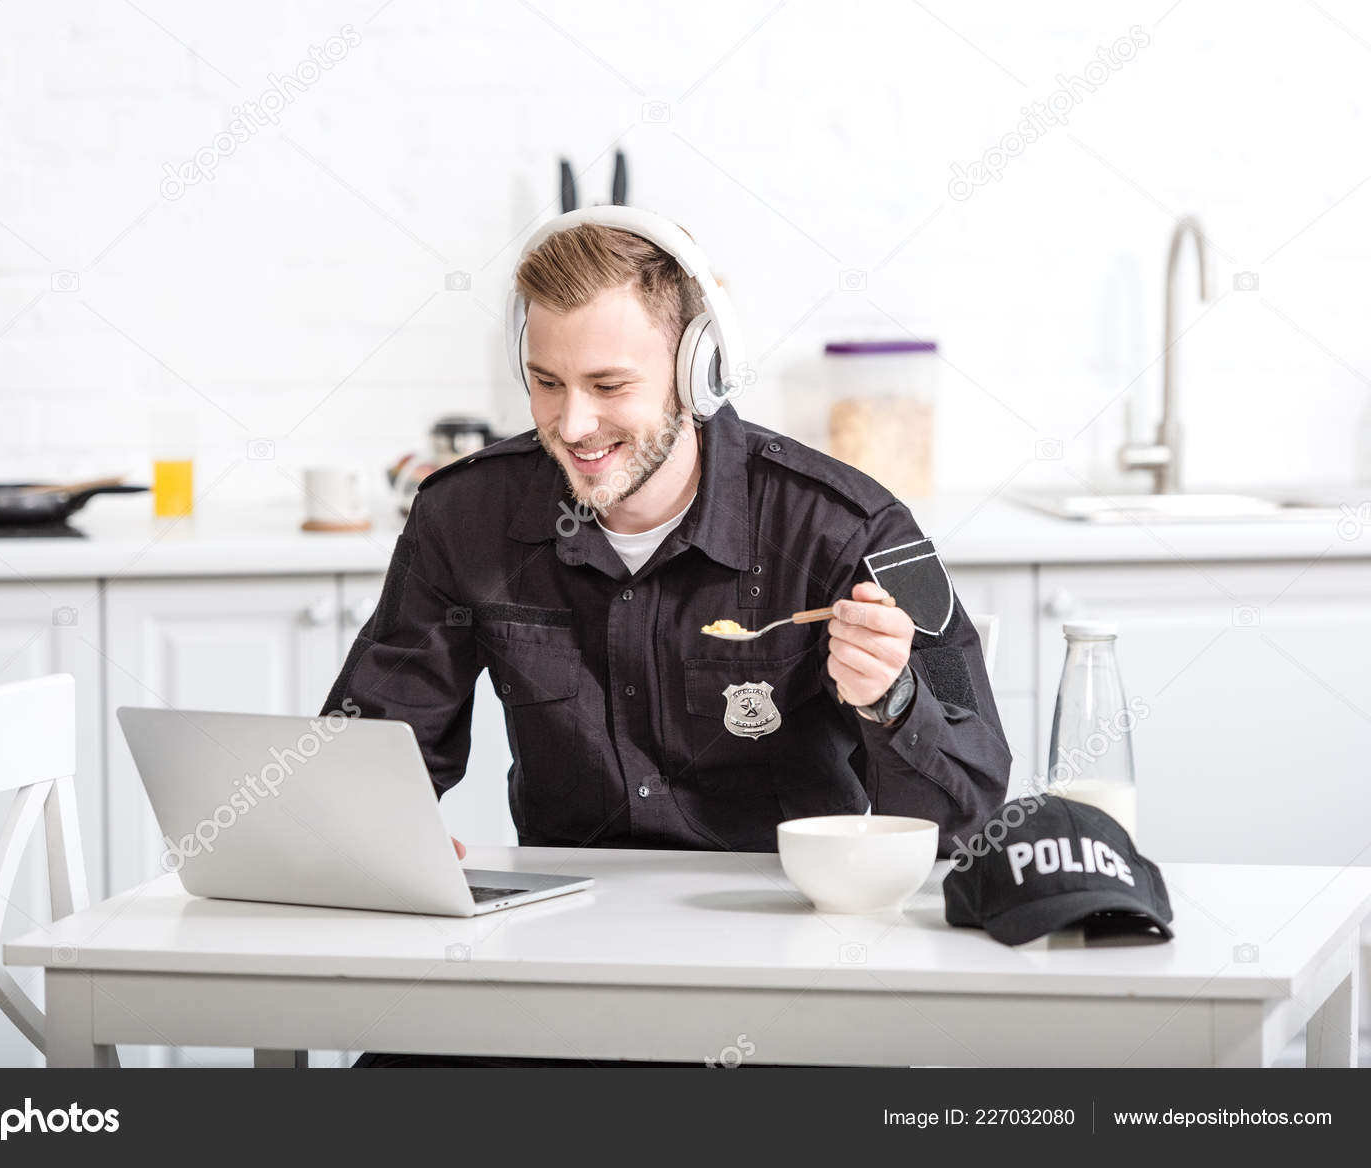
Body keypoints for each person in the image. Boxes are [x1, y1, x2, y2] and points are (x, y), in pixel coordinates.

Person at [326, 207, 1011, 1067]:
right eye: (545, 383)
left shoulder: (851, 529)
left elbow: (972, 812)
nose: (572, 426)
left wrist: (893, 698)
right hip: (551, 955)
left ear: (699, 373)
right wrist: (380, 837)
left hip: (779, 963)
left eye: (609, 387)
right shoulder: (463, 515)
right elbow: (367, 753)